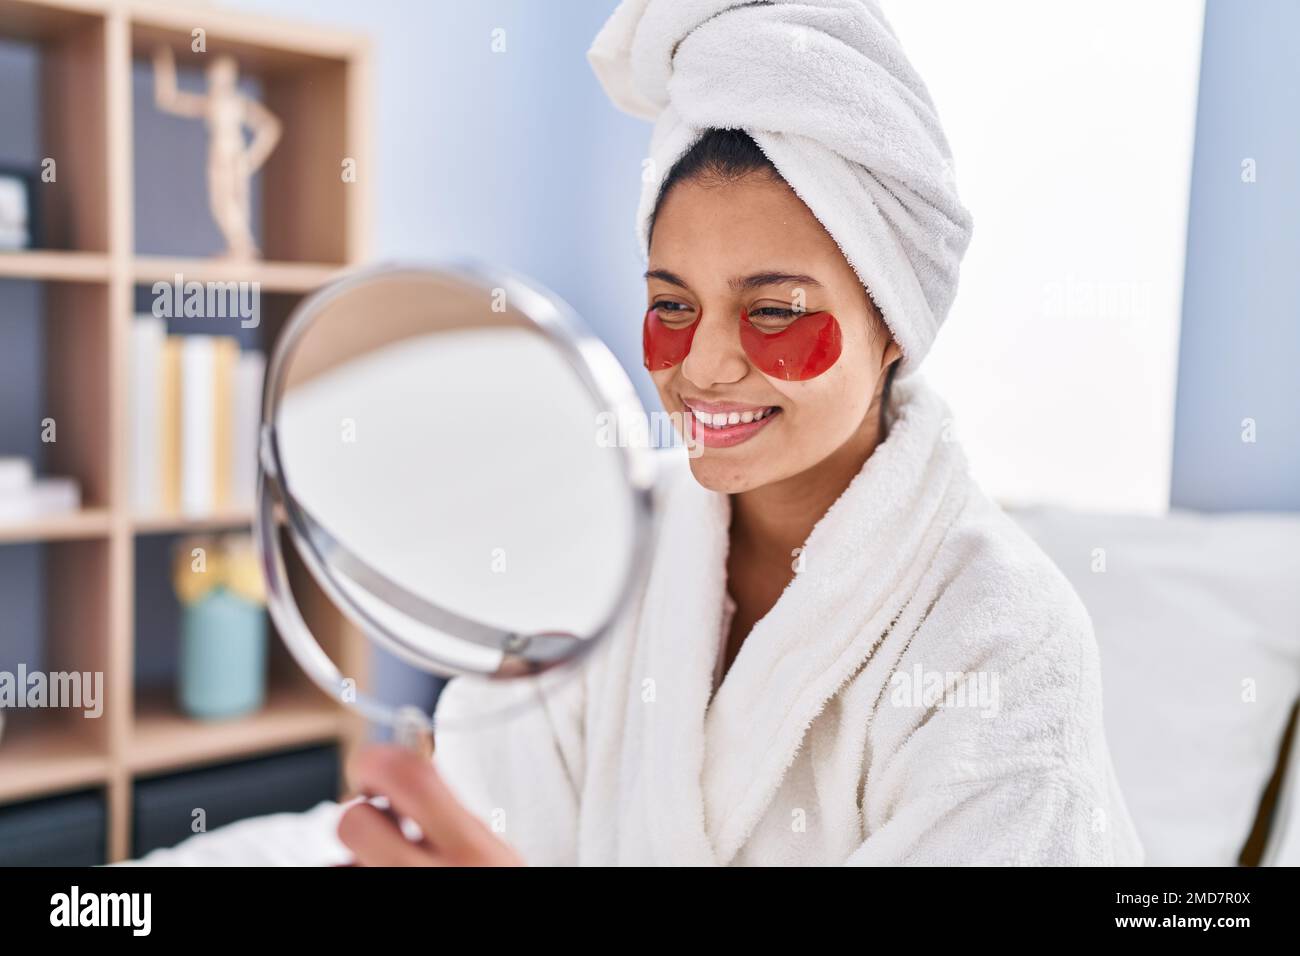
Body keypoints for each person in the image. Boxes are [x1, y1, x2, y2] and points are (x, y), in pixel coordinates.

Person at [131, 0, 1144, 867]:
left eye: (776, 309)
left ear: (893, 325)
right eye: (670, 304)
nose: (702, 364)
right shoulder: (607, 547)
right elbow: (495, 807)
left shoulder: (1003, 637)